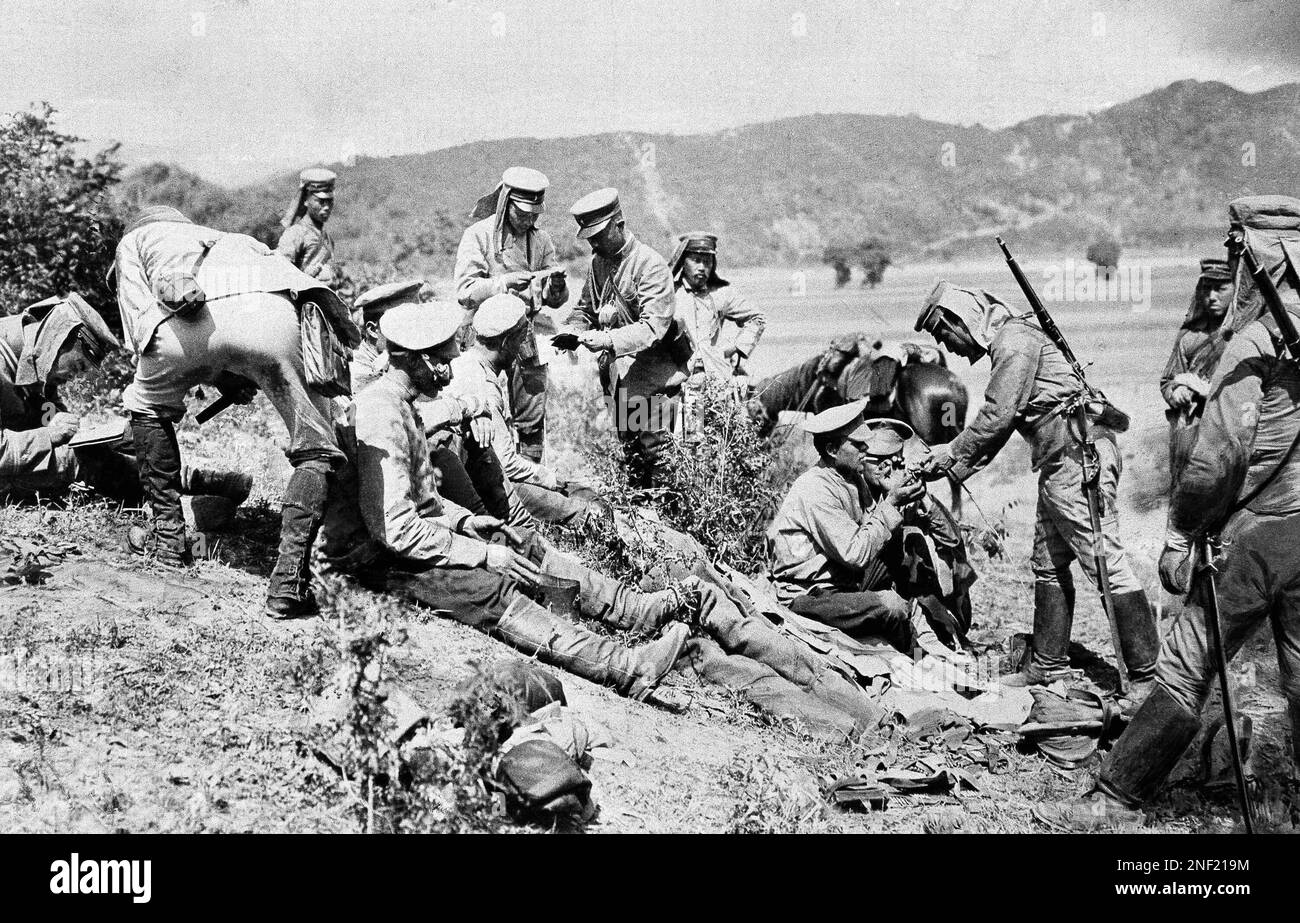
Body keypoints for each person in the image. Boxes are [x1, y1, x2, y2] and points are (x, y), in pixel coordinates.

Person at [1033, 244, 1300, 831]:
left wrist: (1180, 533)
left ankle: (1114, 797)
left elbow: (1218, 458)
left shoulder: (1255, 341)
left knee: (1186, 663)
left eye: (1237, 262)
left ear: (1257, 263)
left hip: (1258, 536)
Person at [329, 302, 696, 700]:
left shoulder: (403, 402)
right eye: (442, 362)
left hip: (397, 542)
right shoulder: (381, 412)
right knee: (489, 586)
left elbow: (422, 499)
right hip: (371, 558)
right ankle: (627, 669)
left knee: (518, 542)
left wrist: (465, 525)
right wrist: (480, 555)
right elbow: (394, 529)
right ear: (415, 359)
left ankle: (633, 610)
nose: (451, 370)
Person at [112, 205, 358, 619]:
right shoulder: (228, 238)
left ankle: (168, 541)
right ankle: (287, 585)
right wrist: (239, 371)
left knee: (147, 405)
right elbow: (249, 319)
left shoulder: (134, 242)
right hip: (273, 318)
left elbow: (143, 325)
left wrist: (189, 370)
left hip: (181, 326)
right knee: (316, 445)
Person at [913, 282, 1157, 699]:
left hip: (1078, 459)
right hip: (1060, 460)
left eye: (944, 335)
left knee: (1105, 564)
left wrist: (950, 455)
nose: (949, 348)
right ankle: (1048, 666)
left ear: (959, 321)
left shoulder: (1014, 342)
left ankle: (1148, 678)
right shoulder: (1013, 339)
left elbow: (998, 415)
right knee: (1049, 561)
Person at [0, 293, 250, 506]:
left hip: (17, 447)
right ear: (56, 339)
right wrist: (49, 436)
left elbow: (41, 403)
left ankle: (184, 481)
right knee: (81, 459)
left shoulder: (35, 353)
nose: (71, 379)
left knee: (126, 435)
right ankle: (183, 491)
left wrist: (55, 418)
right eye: (76, 366)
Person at [767, 402, 961, 656]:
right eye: (859, 446)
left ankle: (933, 636)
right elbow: (856, 554)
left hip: (841, 582)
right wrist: (891, 503)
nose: (866, 449)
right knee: (891, 606)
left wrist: (914, 498)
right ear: (833, 449)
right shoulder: (815, 488)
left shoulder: (851, 478)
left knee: (904, 541)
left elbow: (947, 538)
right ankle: (916, 653)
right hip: (810, 593)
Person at [554, 188, 686, 487]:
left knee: (660, 467)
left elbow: (653, 328)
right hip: (620, 386)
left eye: (599, 236)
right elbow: (584, 308)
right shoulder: (599, 263)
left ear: (620, 224)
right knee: (635, 464)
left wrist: (605, 340)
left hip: (654, 386)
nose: (594, 244)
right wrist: (572, 330)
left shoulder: (650, 265)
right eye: (589, 239)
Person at [449, 293, 610, 528]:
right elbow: (506, 463)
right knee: (585, 511)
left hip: (471, 477)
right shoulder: (482, 386)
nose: (524, 347)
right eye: (522, 338)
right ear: (505, 343)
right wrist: (551, 479)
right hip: (483, 485)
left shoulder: (466, 363)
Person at [454, 167, 568, 463]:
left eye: (535, 215)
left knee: (531, 411)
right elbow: (465, 290)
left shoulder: (541, 241)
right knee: (479, 404)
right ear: (506, 204)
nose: (530, 220)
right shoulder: (477, 236)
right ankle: (483, 475)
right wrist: (502, 284)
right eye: (523, 213)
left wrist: (556, 289)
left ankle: (532, 476)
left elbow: (554, 301)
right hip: (483, 334)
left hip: (525, 332)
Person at [1159, 257, 1234, 477]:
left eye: (1221, 289)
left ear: (1236, 290)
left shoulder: (1244, 337)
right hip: (1192, 431)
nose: (1212, 297)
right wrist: (1177, 391)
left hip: (1231, 429)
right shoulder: (1190, 337)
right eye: (1206, 289)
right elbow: (1167, 380)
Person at [669, 232, 766, 382]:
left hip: (716, 379)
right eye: (696, 260)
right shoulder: (668, 295)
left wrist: (736, 347)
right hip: (676, 381)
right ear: (683, 262)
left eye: (707, 262)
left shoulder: (722, 295)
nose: (702, 267)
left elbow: (757, 318)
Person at [276, 167, 340, 288]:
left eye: (329, 201)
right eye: (321, 201)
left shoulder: (327, 238)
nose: (326, 207)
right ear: (306, 199)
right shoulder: (295, 234)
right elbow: (280, 274)